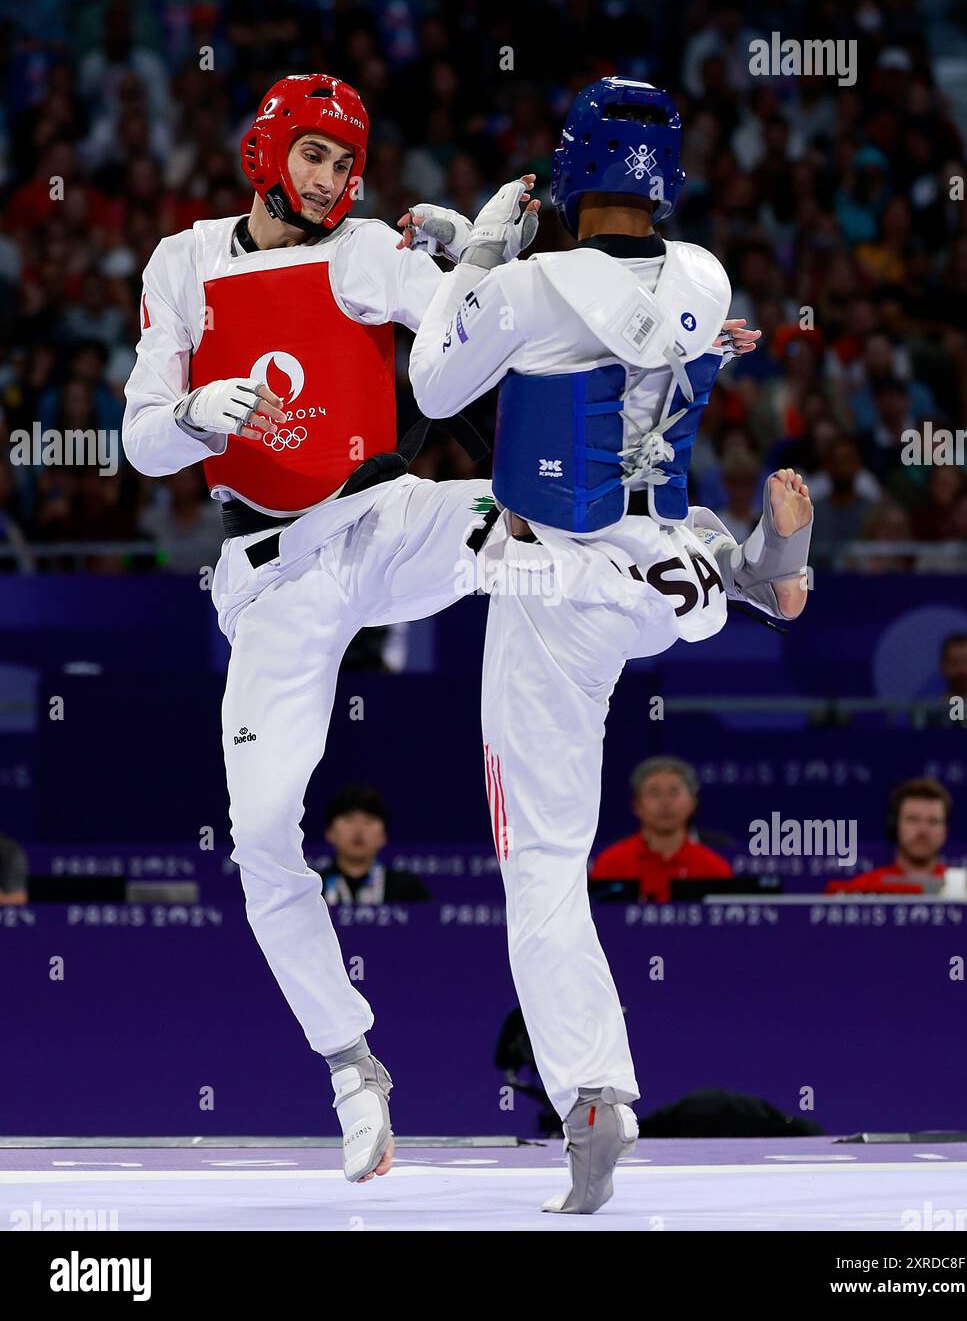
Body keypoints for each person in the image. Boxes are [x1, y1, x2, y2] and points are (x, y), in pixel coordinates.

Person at [406, 76, 814, 1212]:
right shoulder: (707, 277)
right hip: (658, 569)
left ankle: (591, 1097)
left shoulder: (529, 286)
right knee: (657, 507)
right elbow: (587, 321)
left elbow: (436, 379)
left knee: (538, 862)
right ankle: (750, 568)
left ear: (572, 167)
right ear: (663, 177)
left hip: (554, 583)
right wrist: (473, 269)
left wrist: (481, 256)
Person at [121, 74, 495, 1187]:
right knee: (264, 833)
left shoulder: (366, 249)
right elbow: (139, 439)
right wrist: (193, 415)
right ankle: (351, 1063)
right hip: (270, 575)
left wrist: (474, 260)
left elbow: (478, 338)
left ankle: (730, 568)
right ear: (268, 152)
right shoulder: (182, 261)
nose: (333, 179)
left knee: (540, 518)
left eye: (348, 162)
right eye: (316, 156)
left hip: (384, 520)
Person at [590, 756, 732, 900]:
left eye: (674, 792)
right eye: (654, 793)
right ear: (637, 805)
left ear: (692, 803)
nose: (665, 802)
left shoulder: (714, 868)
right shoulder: (609, 864)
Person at [826, 778, 951, 894]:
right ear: (895, 825)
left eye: (933, 821)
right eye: (913, 819)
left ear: (945, 830)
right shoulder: (862, 890)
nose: (923, 830)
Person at [322, 785, 430, 905]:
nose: (359, 830)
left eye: (369, 821)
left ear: (383, 836)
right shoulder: (312, 888)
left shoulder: (408, 890)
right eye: (349, 820)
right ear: (330, 832)